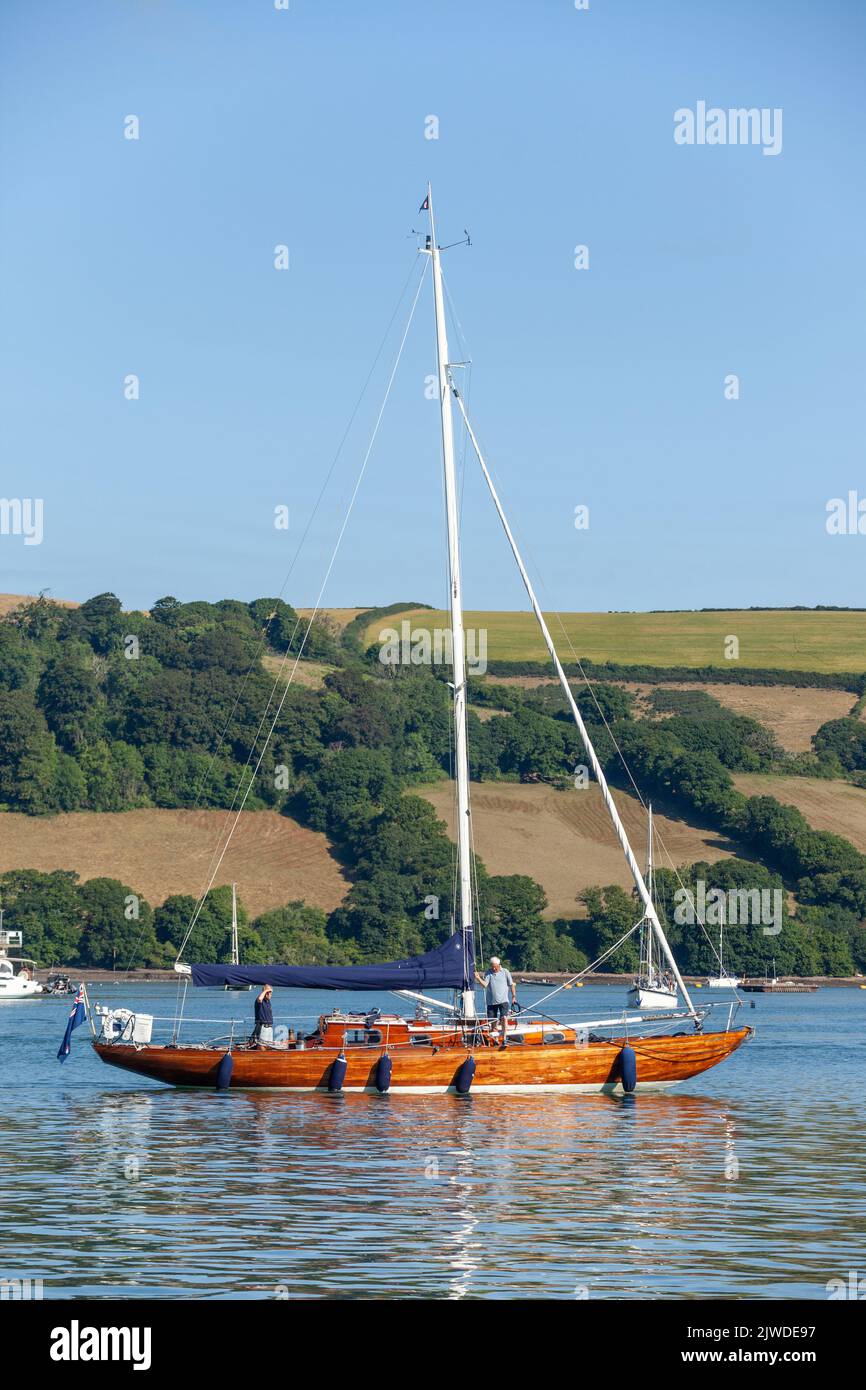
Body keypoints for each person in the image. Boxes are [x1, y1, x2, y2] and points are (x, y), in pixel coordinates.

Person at [474, 957, 517, 1047]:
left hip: (503, 1001)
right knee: (493, 1022)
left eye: (495, 967)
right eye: (492, 966)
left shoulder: (505, 972)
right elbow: (485, 985)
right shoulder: (488, 973)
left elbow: (511, 984)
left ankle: (504, 1038)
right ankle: (496, 1041)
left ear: (499, 965)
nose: (494, 968)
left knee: (504, 1018)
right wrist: (478, 978)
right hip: (491, 1002)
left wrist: (513, 996)